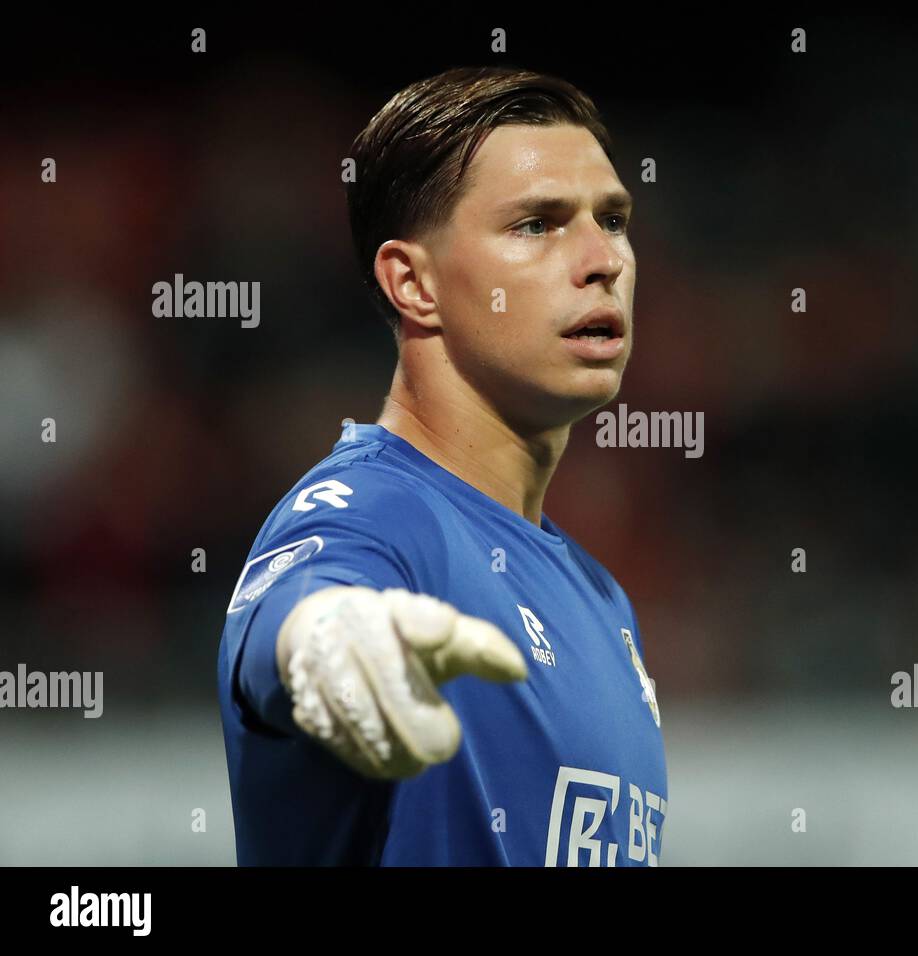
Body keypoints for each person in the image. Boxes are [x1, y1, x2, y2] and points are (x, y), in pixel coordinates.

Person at [216, 66, 666, 866]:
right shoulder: (376, 512)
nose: (602, 259)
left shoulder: (604, 600)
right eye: (537, 224)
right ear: (413, 283)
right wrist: (323, 638)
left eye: (614, 218)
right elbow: (299, 609)